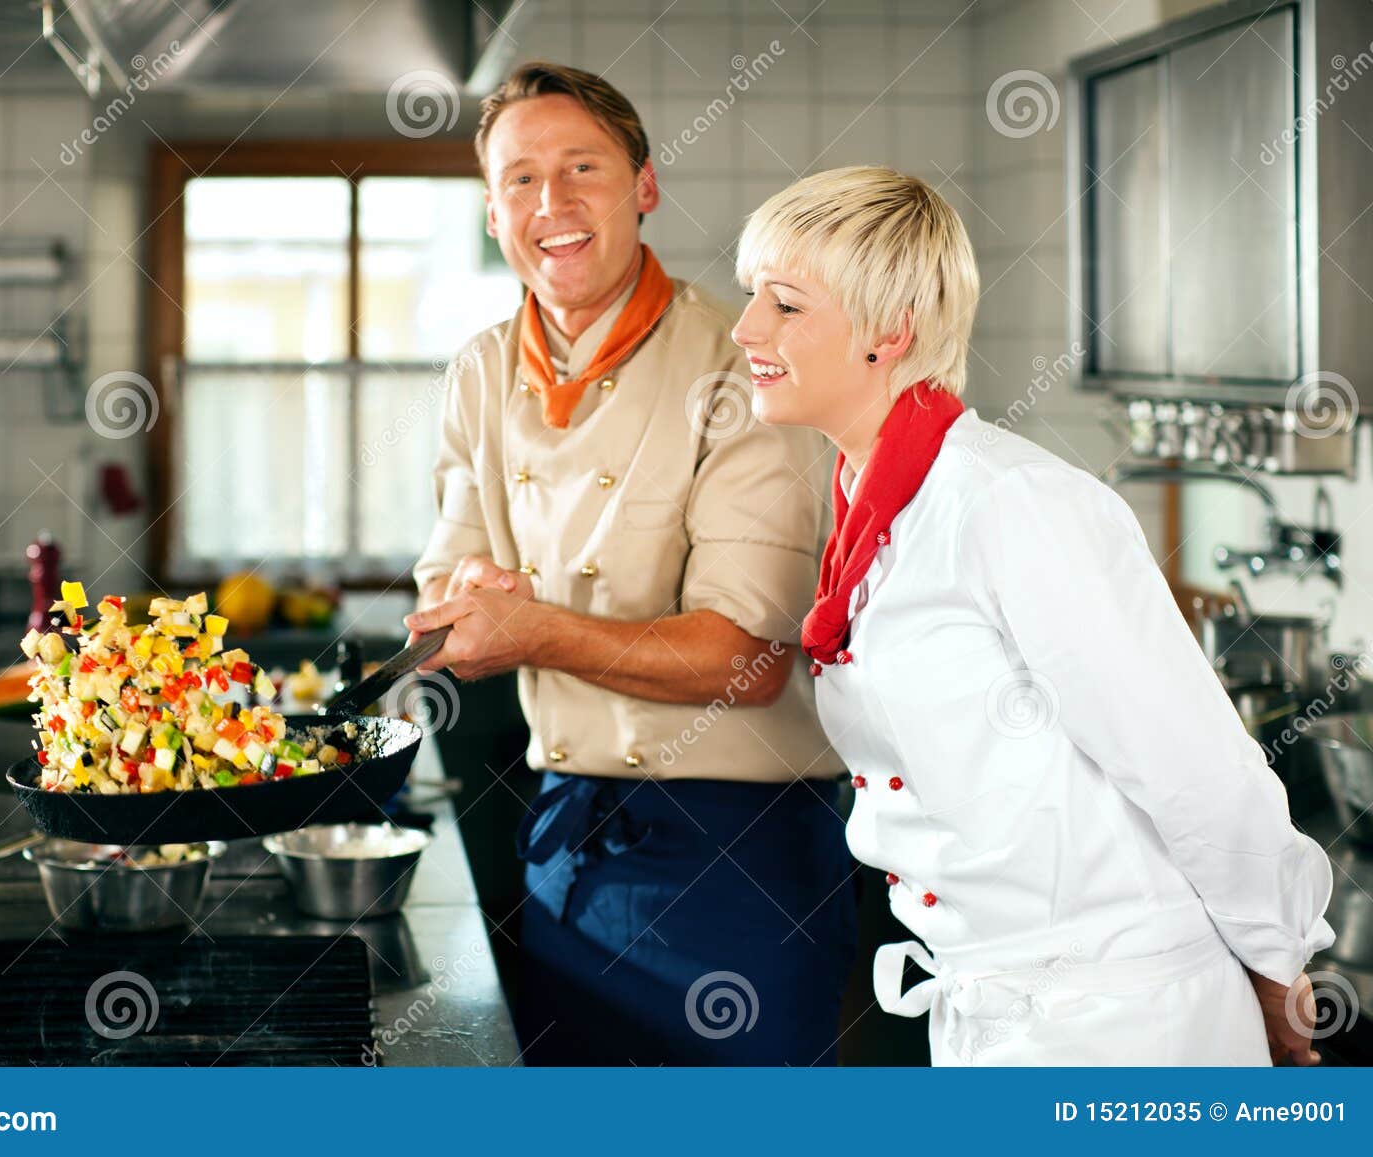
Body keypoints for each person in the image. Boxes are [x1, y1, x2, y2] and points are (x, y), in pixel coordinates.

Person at [730, 164, 1335, 1066]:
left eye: (784, 304)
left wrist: (1278, 961)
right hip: (998, 1004)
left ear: (889, 331)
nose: (745, 330)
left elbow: (1189, 758)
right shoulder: (878, 506)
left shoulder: (1009, 501)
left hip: (1124, 1020)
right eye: (752, 299)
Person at [403, 62, 855, 1066]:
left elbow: (744, 661)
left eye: (582, 168)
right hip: (568, 838)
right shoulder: (479, 370)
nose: (551, 203)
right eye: (520, 178)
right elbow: (447, 576)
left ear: (643, 185)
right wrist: (464, 600)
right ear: (490, 213)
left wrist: (532, 632)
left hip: (736, 852)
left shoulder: (740, 366)